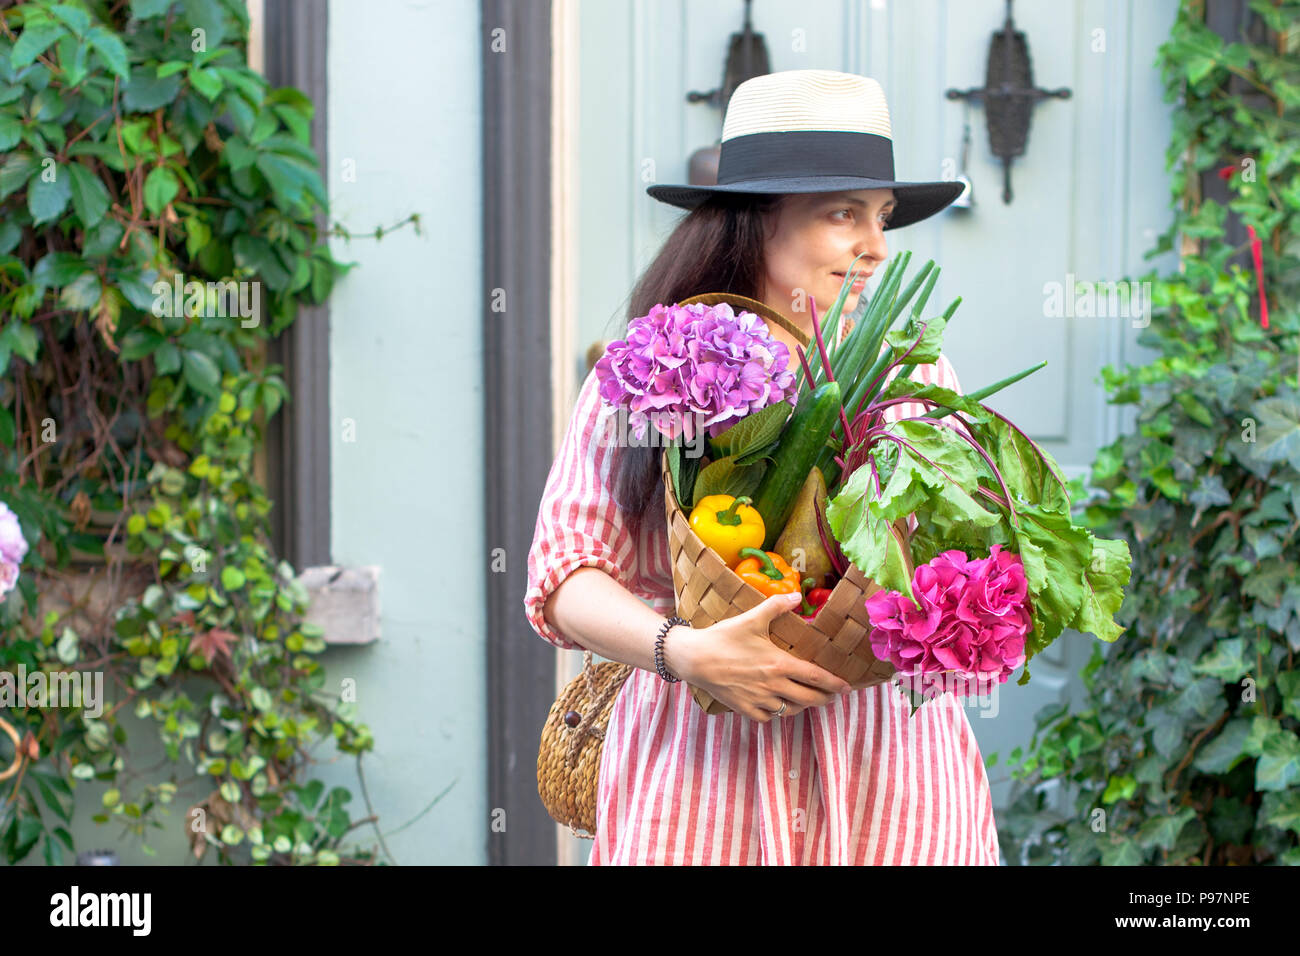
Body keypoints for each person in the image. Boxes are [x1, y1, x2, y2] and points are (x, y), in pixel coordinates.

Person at [523, 70, 1000, 865]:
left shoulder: (917, 377)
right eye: (842, 213)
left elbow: (961, 556)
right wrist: (688, 652)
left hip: (891, 774)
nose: (875, 247)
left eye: (880, 217)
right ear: (754, 223)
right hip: (703, 777)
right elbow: (564, 576)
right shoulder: (654, 370)